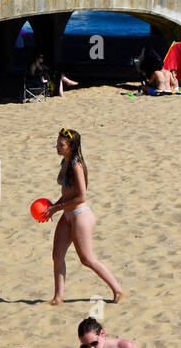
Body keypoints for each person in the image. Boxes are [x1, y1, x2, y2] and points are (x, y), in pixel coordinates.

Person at [45, 128, 124, 306]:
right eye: (57, 143)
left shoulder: (76, 165)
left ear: (71, 146)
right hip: (67, 214)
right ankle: (58, 297)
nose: (57, 147)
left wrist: (57, 208)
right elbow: (67, 193)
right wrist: (53, 206)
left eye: (61, 145)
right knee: (57, 256)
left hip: (81, 215)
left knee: (87, 259)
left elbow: (81, 196)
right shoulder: (64, 162)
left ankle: (117, 289)